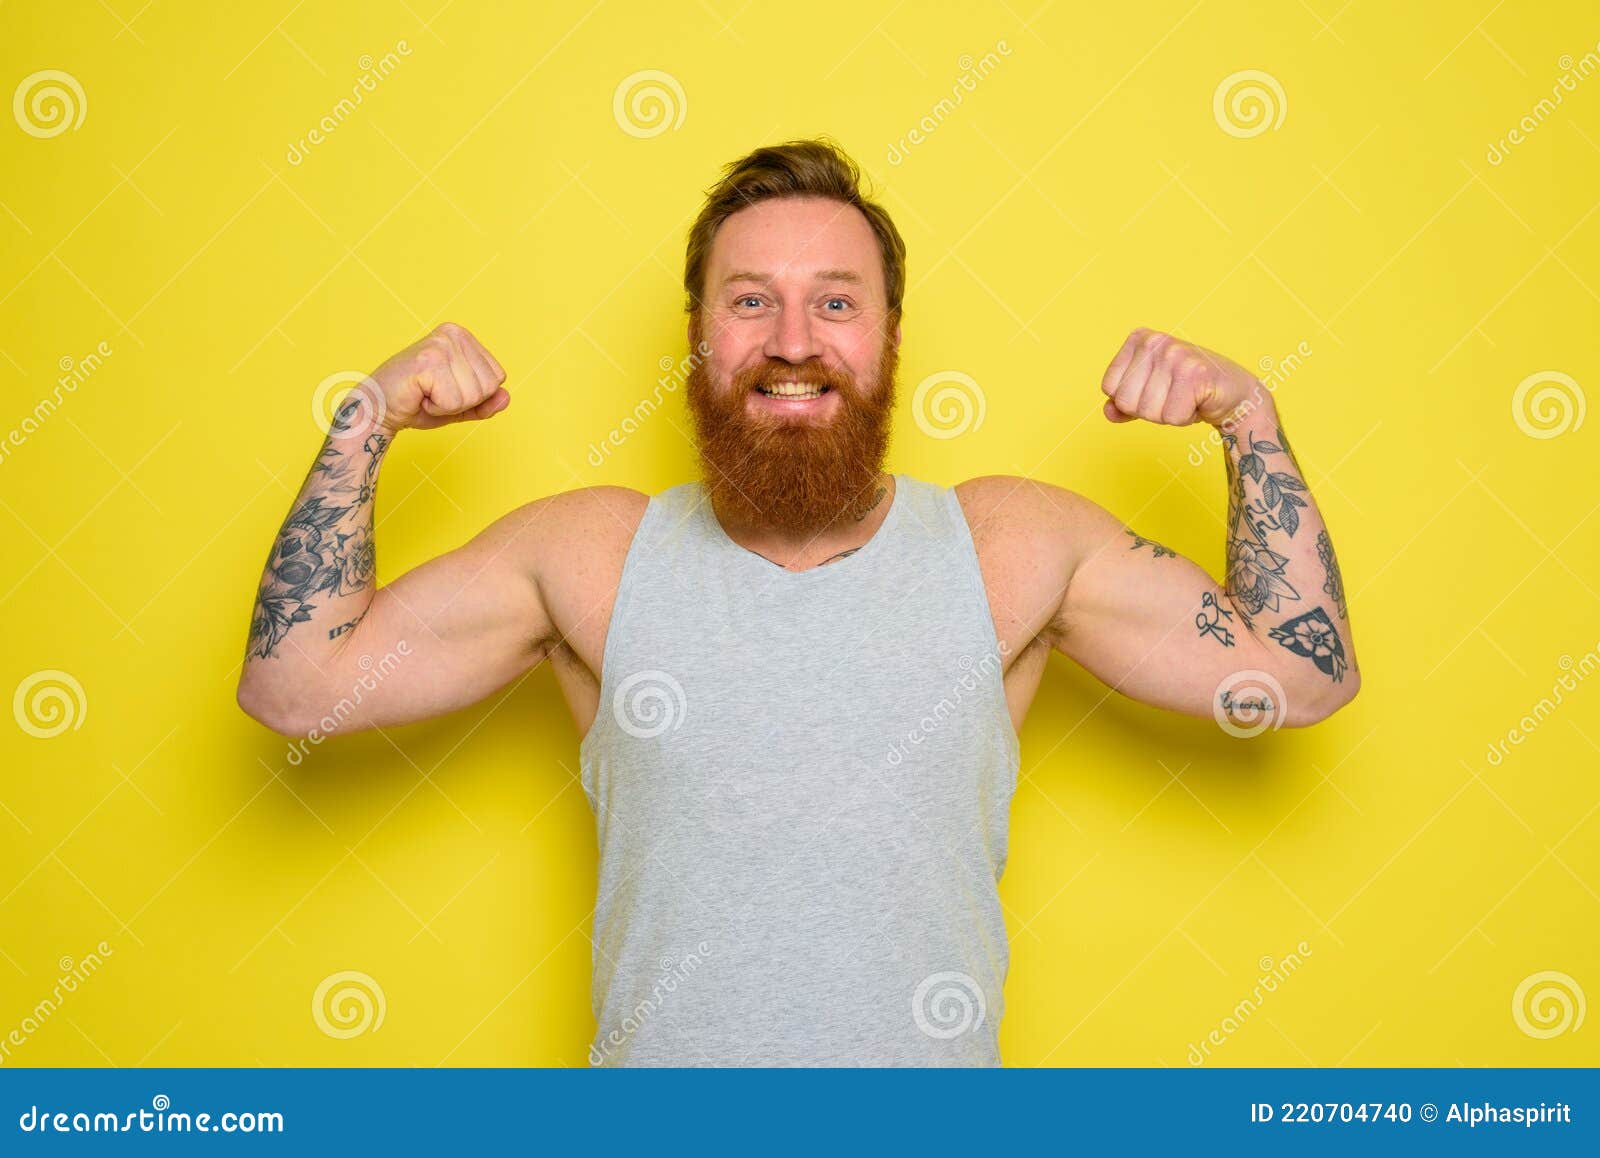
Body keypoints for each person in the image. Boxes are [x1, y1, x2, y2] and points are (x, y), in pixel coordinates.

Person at [237, 138, 1360, 1066]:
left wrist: (1247, 417)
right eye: (748, 302)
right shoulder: (589, 556)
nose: (790, 343)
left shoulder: (1007, 547)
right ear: (695, 336)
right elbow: (298, 686)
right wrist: (362, 425)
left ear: (889, 338)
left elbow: (1299, 679)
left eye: (834, 301)